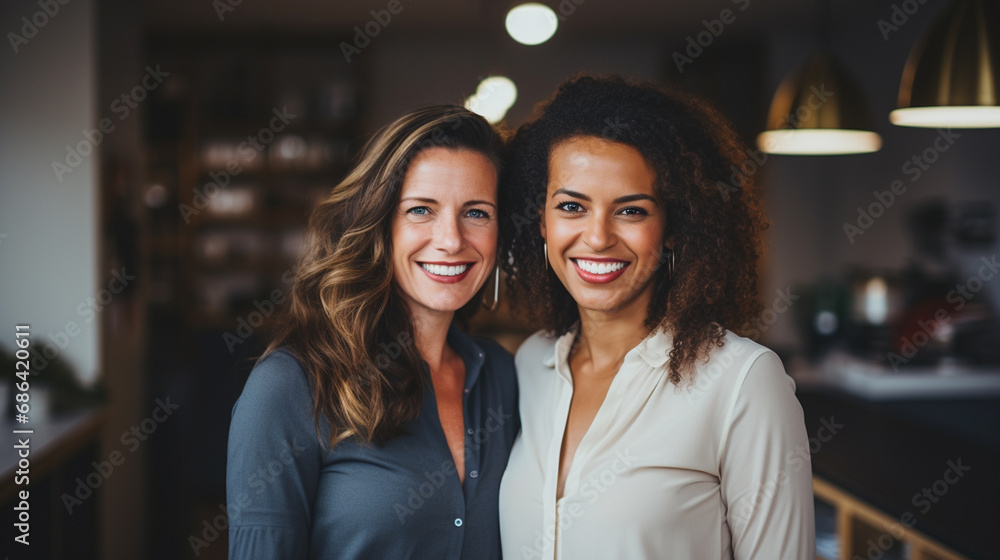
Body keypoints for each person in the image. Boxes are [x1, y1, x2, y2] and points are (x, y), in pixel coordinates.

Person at [497, 75, 814, 559]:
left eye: (631, 211)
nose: (598, 237)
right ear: (542, 220)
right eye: (571, 206)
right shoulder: (531, 364)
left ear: (671, 228)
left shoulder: (742, 382)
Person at [227, 105, 518, 559]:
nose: (452, 239)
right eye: (421, 209)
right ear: (379, 224)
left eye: (477, 213)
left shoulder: (502, 376)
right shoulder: (290, 387)